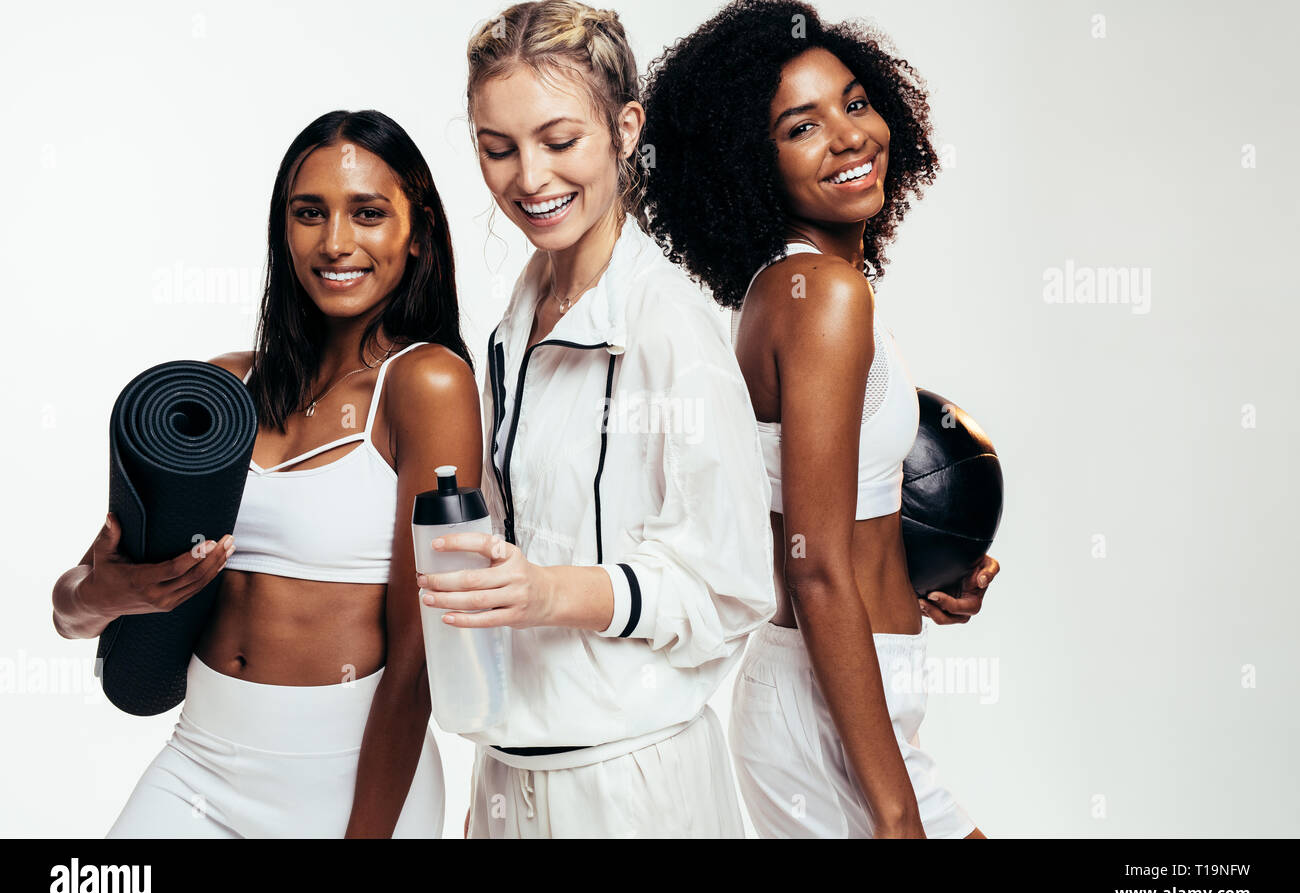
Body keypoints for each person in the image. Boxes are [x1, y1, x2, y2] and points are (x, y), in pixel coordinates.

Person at [50, 110, 481, 838]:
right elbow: (68, 612)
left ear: (420, 232)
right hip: (201, 764)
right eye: (309, 213)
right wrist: (112, 592)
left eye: (368, 214)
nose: (335, 242)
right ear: (284, 229)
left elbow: (419, 658)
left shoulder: (427, 385)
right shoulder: (220, 393)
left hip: (351, 779)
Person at [417, 0, 776, 838]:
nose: (529, 179)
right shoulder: (518, 316)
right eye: (496, 148)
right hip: (509, 777)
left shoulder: (668, 328)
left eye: (559, 140)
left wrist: (548, 592)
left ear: (625, 129)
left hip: (634, 785)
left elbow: (729, 587)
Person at [641, 0, 1000, 838]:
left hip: (841, 694)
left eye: (855, 103)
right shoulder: (823, 298)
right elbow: (812, 568)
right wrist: (896, 812)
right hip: (830, 712)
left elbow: (834, 519)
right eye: (801, 127)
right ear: (747, 166)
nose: (849, 137)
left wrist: (927, 569)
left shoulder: (793, 288)